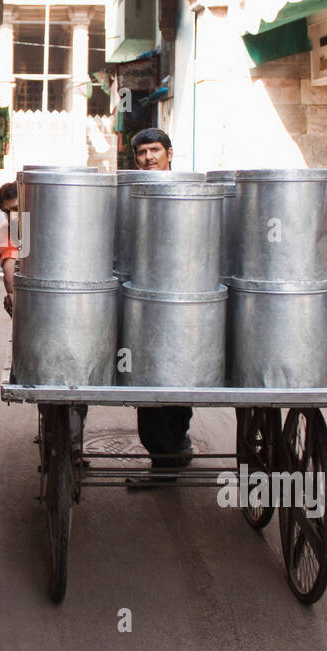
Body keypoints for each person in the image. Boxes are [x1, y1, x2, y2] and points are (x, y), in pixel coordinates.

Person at [126, 126, 195, 488]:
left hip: (188, 297)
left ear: (169, 152)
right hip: (146, 297)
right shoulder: (133, 191)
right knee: (150, 382)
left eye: (154, 150)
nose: (148, 158)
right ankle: (164, 460)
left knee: (183, 378)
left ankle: (176, 447)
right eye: (142, 153)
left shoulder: (190, 186)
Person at [0, 181, 18, 316]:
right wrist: (12, 296)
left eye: (16, 208)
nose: (13, 217)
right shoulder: (8, 229)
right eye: (7, 212)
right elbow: (9, 265)